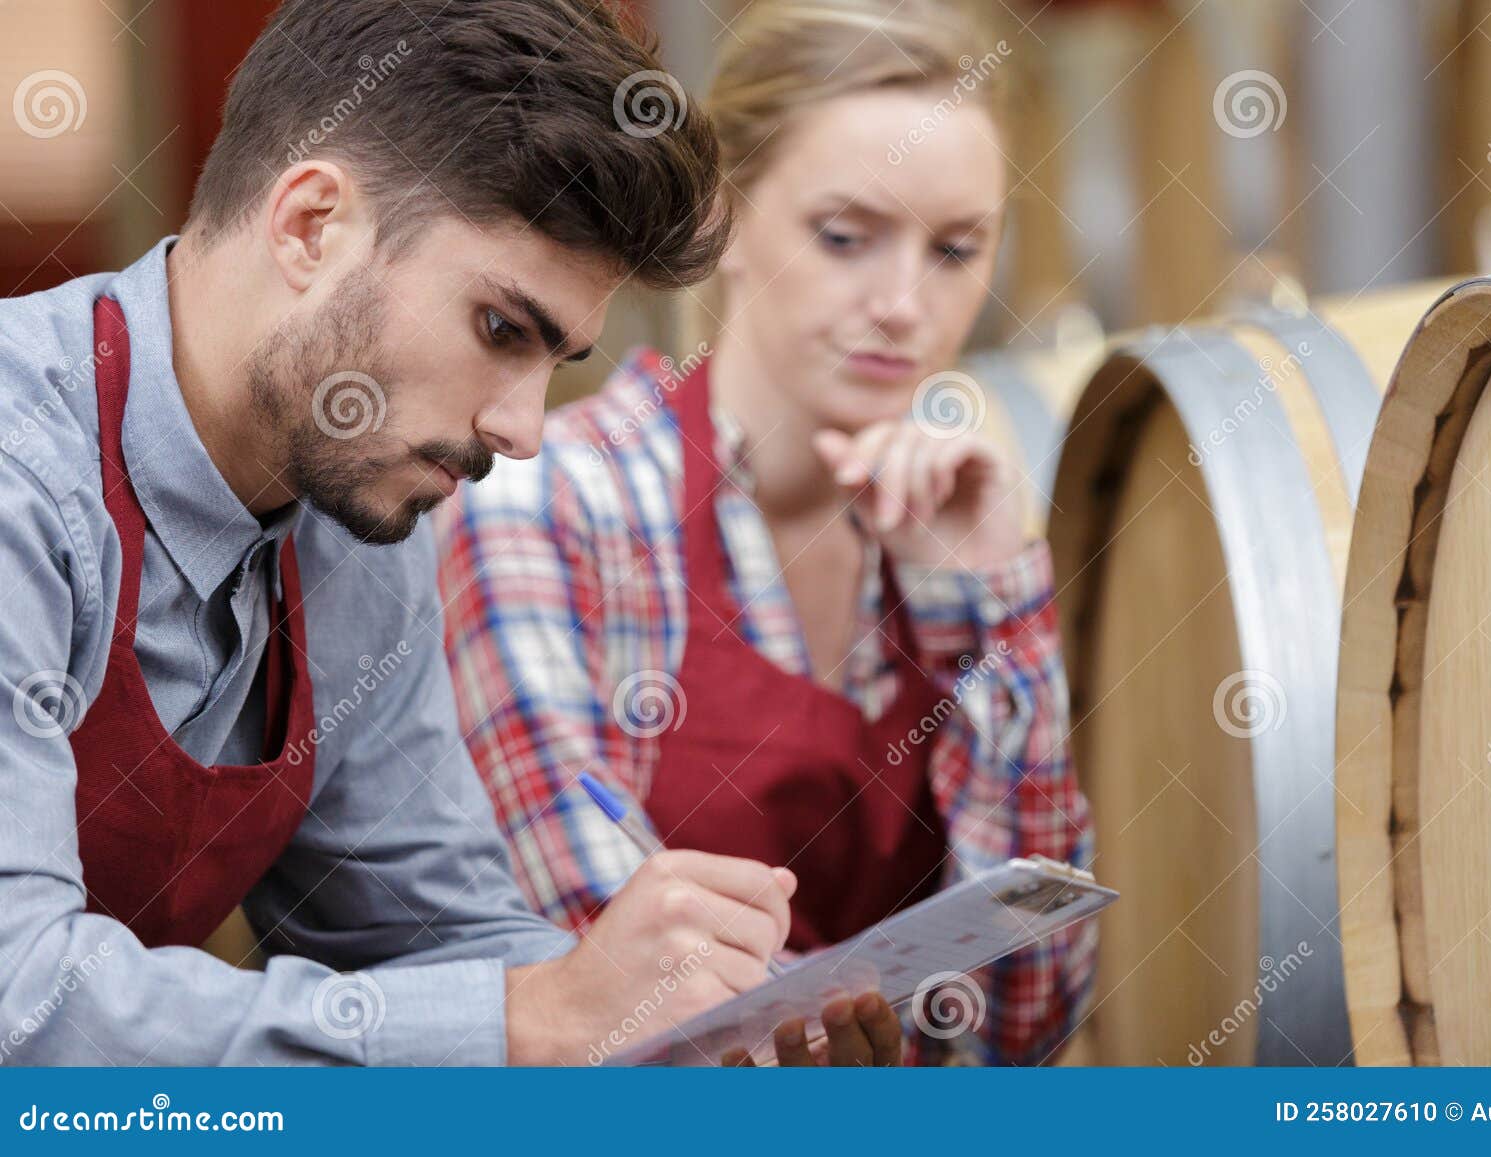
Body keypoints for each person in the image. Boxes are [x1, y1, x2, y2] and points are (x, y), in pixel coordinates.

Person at [0, 0, 900, 1067]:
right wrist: (534, 1017)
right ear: (311, 226)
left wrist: (684, 1029)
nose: (522, 429)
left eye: (554, 361)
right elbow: (21, 998)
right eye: (500, 329)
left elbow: (438, 937)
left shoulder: (354, 522)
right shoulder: (22, 467)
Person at [436, 0, 1096, 1065]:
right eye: (845, 236)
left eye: (954, 248)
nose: (902, 303)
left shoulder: (948, 537)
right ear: (728, 217)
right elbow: (611, 991)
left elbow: (1031, 1013)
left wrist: (995, 591)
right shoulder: (555, 507)